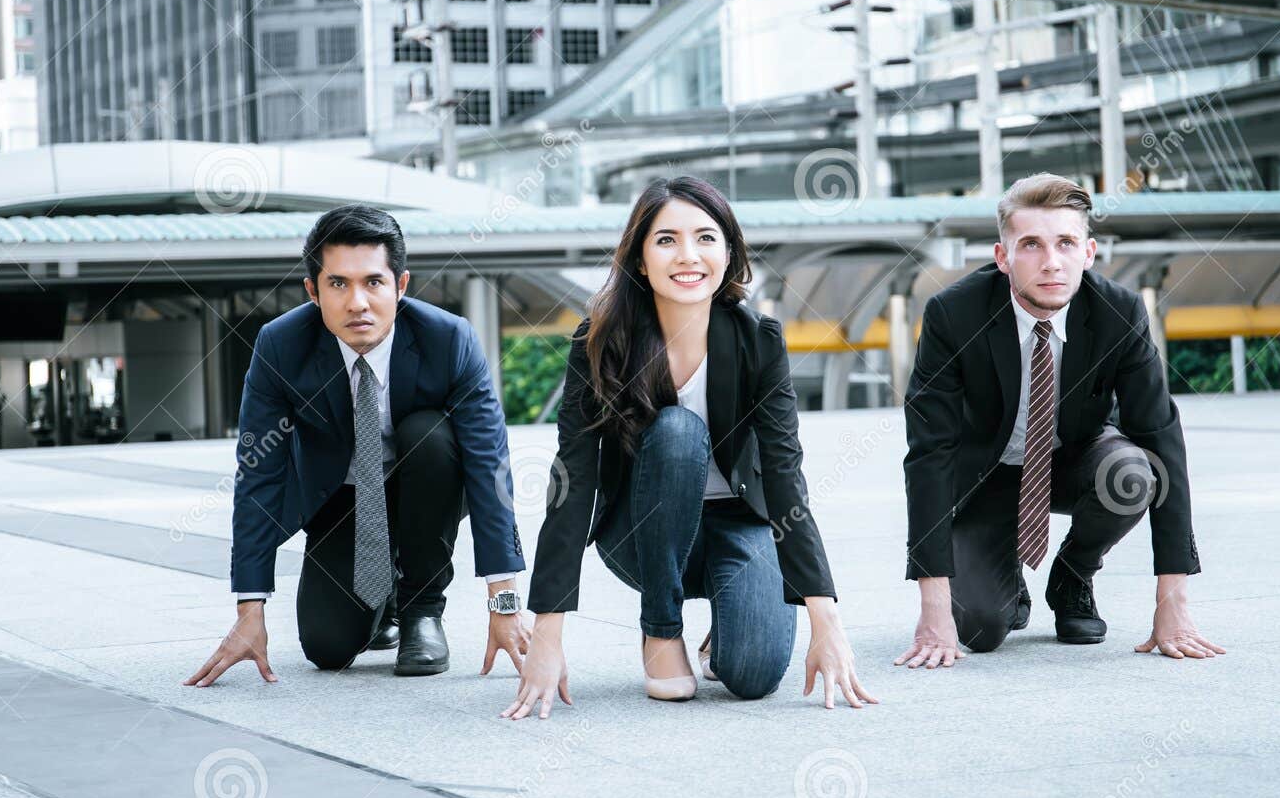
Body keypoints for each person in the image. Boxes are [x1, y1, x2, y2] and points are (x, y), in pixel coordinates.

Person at [506, 176, 876, 718]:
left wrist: (828, 619)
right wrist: (547, 632)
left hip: (737, 520)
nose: (688, 255)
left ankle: (724, 630)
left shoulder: (759, 341)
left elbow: (783, 473)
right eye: (666, 240)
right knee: (678, 430)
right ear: (639, 259)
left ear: (729, 252)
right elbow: (575, 478)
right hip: (640, 530)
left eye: (706, 237)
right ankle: (661, 628)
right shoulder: (600, 341)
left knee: (753, 676)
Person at [186, 204, 530, 686]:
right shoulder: (280, 346)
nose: (357, 303)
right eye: (338, 284)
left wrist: (505, 601)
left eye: (373, 282)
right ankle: (380, 604)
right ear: (313, 290)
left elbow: (490, 467)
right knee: (327, 649)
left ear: (401, 285)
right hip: (341, 500)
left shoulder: (449, 340)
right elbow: (258, 473)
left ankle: (420, 611)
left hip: (425, 487)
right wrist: (250, 608)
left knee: (429, 436)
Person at [898, 173, 1224, 668]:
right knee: (981, 628)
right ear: (1002, 256)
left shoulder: (1119, 311)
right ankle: (1006, 582)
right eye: (1030, 245)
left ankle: (1073, 573)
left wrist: (1173, 605)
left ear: (1089, 252)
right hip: (984, 478)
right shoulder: (953, 315)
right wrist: (933, 609)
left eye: (1066, 243)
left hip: (1074, 462)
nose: (1051, 262)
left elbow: (1160, 438)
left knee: (1135, 473)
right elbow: (929, 454)